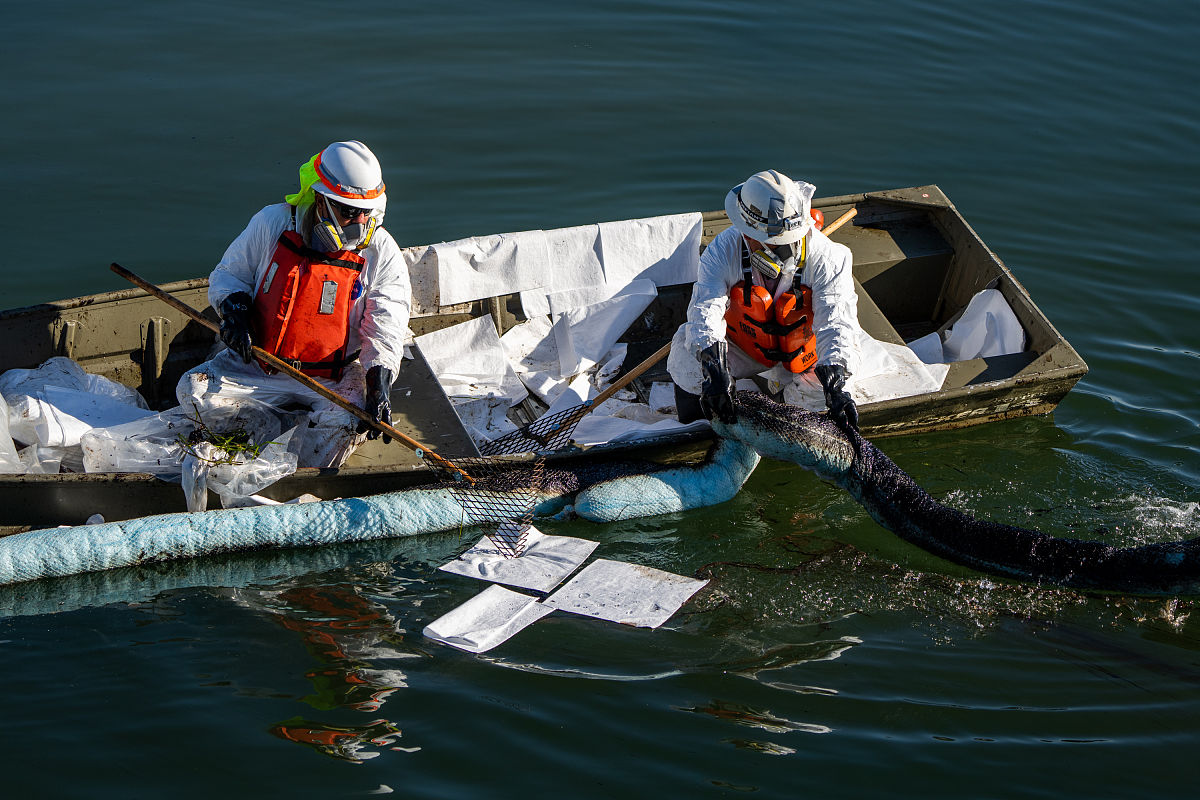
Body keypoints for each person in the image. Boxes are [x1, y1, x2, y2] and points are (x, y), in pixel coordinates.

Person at [177, 140, 412, 467]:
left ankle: (293, 467)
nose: (359, 222)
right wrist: (234, 313)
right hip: (259, 365)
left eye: (366, 212)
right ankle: (267, 431)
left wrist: (378, 390)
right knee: (192, 391)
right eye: (348, 212)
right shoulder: (272, 223)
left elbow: (386, 327)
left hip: (333, 377)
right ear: (321, 200)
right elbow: (229, 276)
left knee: (348, 424)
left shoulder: (381, 252)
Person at [666, 169, 861, 430]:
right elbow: (705, 311)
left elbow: (836, 323)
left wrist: (834, 381)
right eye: (772, 243)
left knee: (826, 387)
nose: (782, 250)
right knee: (685, 354)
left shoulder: (830, 258)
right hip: (747, 346)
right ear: (747, 234)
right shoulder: (722, 251)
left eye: (788, 241)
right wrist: (715, 370)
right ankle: (699, 426)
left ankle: (783, 415)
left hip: (804, 353)